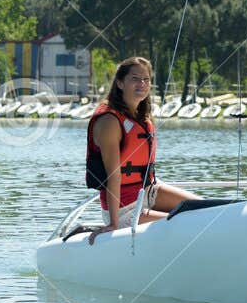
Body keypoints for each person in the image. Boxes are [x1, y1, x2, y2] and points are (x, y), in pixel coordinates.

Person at [85, 56, 198, 243]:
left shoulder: (141, 116)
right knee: (188, 221)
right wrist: (113, 224)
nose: (142, 84)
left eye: (146, 79)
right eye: (135, 79)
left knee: (204, 209)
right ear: (120, 83)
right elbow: (114, 175)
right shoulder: (110, 121)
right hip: (123, 209)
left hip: (147, 192)